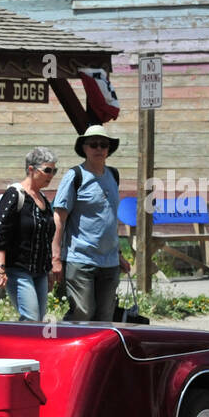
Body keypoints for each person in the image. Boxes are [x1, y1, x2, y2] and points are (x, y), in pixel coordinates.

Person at [51, 124, 131, 321]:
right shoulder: (75, 176)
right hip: (81, 258)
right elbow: (59, 218)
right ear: (84, 148)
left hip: (110, 261)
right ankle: (66, 345)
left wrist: (119, 254)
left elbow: (109, 218)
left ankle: (97, 352)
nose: (99, 149)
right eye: (93, 144)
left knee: (105, 316)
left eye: (103, 145)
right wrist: (56, 258)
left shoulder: (113, 175)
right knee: (83, 312)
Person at [0, 147, 59, 321]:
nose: (51, 175)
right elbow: (1, 232)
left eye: (54, 170)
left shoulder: (43, 199)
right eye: (48, 170)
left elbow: (47, 236)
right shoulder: (15, 195)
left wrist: (49, 270)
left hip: (40, 271)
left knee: (39, 318)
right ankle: (16, 347)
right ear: (31, 169)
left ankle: (25, 348)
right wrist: (0, 267)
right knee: (31, 317)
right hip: (18, 269)